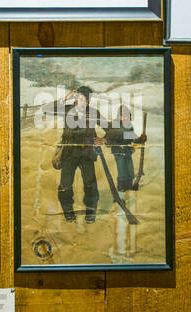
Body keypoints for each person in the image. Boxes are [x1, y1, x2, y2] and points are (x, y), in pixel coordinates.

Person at [56, 86, 102, 224]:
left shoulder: (93, 113)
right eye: (81, 99)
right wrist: (65, 98)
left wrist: (104, 139)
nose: (83, 103)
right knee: (65, 185)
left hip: (87, 152)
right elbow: (45, 110)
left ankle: (90, 211)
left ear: (89, 102)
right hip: (69, 152)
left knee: (90, 183)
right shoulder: (66, 110)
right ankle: (68, 211)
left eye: (86, 100)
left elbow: (110, 127)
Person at [104, 103, 145, 192]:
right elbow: (110, 137)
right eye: (123, 116)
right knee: (122, 169)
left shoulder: (129, 126)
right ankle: (122, 186)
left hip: (127, 151)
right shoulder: (115, 125)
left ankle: (129, 185)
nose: (126, 118)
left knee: (130, 169)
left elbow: (132, 137)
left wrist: (140, 139)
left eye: (128, 116)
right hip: (119, 152)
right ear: (119, 117)